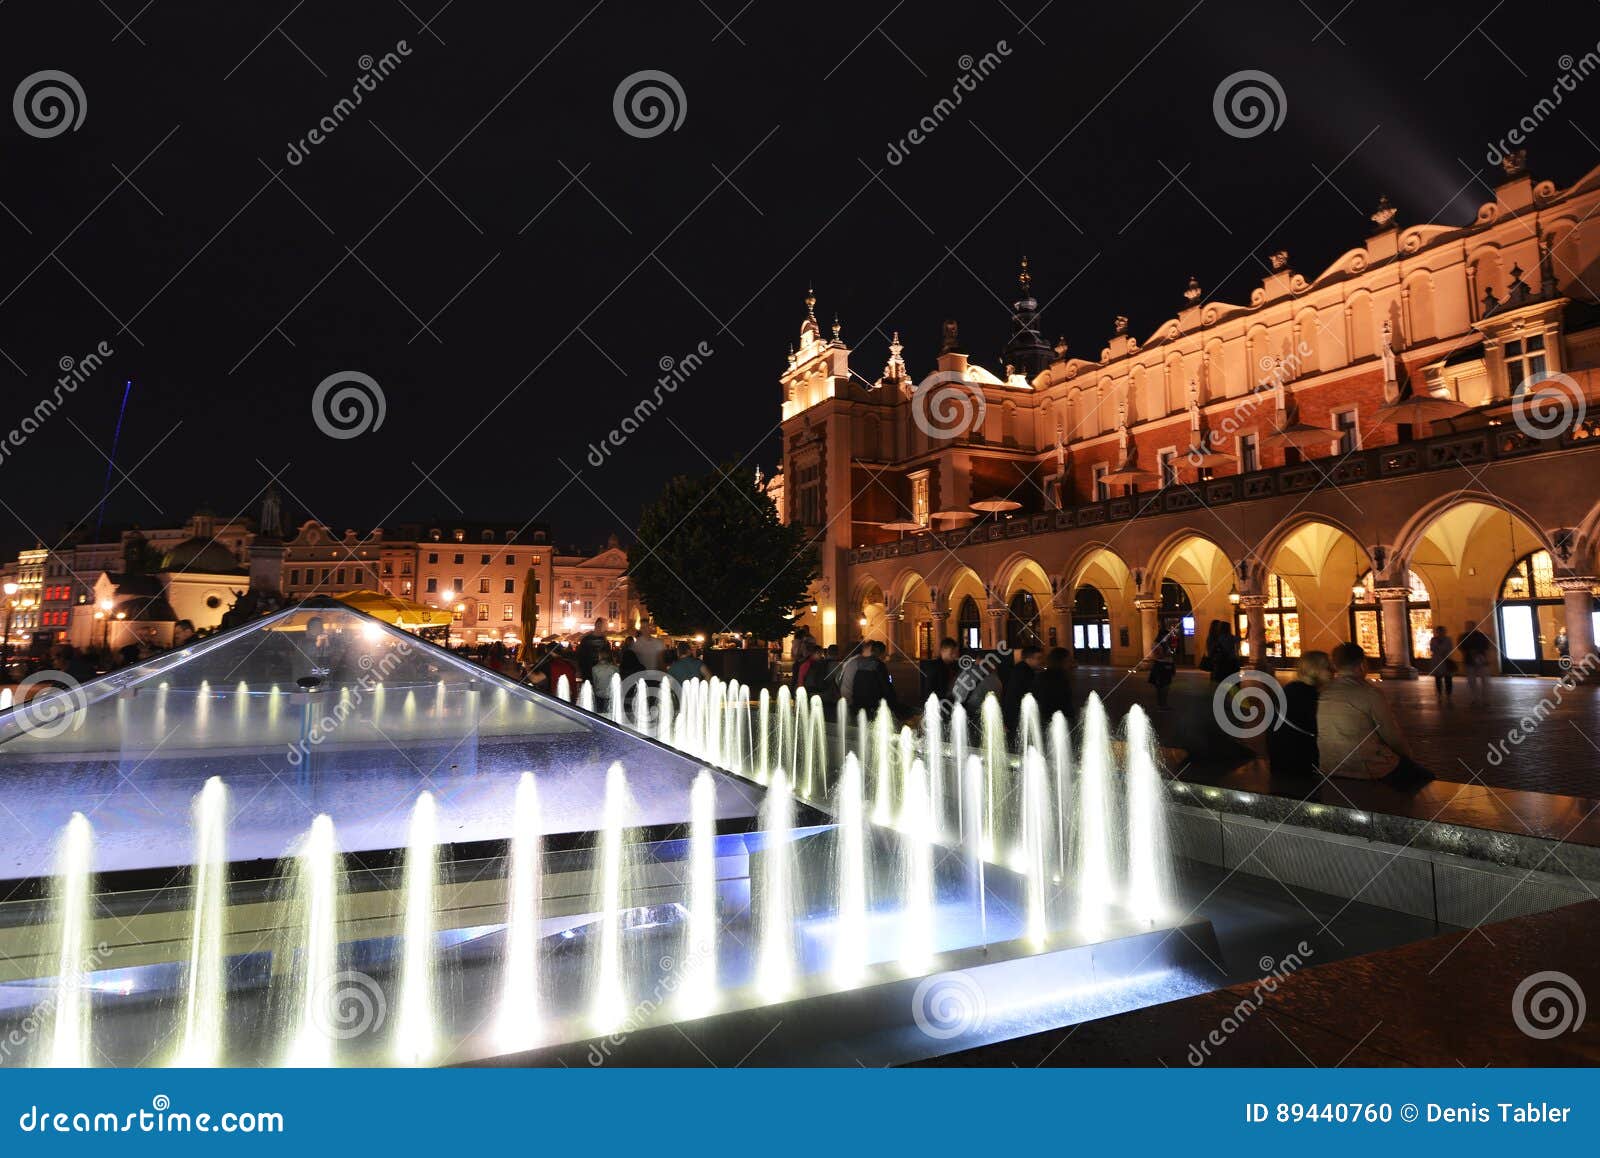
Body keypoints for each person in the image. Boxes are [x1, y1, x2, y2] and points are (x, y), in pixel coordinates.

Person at [1316, 643, 1432, 783]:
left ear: (1335, 665)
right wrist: (1408, 758)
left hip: (1328, 765)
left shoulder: (1321, 692)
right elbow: (1392, 735)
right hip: (1366, 767)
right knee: (1425, 777)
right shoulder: (1370, 693)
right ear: (1362, 664)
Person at [1268, 651, 1330, 778]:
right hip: (1301, 764)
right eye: (1328, 668)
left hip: (1280, 760)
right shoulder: (1311, 696)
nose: (1332, 672)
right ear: (1316, 670)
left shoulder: (1289, 689)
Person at [1002, 645, 1045, 732]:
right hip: (1018, 717)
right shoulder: (1024, 673)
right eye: (1038, 658)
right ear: (1029, 659)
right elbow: (1012, 696)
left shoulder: (1020, 670)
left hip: (1015, 716)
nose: (1041, 661)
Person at [1031, 646, 1073, 722]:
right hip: (1055, 718)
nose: (1070, 664)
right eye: (1068, 661)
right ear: (1062, 661)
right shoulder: (1060, 678)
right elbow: (1064, 702)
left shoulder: (1041, 676)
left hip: (1043, 717)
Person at [1459, 620, 1493, 702]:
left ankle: (1485, 696)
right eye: (1467, 626)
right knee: (1471, 680)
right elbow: (1461, 646)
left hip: (1481, 659)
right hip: (1469, 660)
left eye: (1470, 626)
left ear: (1474, 627)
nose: (1468, 628)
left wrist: (1478, 651)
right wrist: (1469, 651)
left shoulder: (1481, 635)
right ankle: (1474, 696)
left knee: (1484, 679)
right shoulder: (1463, 636)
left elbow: (1486, 646)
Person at [1148, 626, 1178, 708]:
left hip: (1168, 665)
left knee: (1166, 686)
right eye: (1166, 635)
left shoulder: (1167, 644)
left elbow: (1171, 655)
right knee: (1161, 686)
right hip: (1160, 666)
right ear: (1161, 635)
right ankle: (1161, 704)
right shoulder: (1156, 644)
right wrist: (1167, 653)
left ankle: (1163, 703)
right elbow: (1159, 655)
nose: (1168, 637)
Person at [924, 637, 963, 701]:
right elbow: (929, 691)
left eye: (956, 652)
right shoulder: (935, 667)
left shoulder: (953, 665)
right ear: (943, 650)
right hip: (941, 703)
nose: (954, 655)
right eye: (952, 652)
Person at [1203, 619, 1240, 684]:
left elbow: (1212, 649)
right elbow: (1238, 640)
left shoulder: (1219, 637)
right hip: (1228, 660)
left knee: (1221, 679)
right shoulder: (1229, 637)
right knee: (1230, 679)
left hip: (1221, 660)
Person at [1427, 625, 1456, 698]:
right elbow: (1432, 648)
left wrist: (1443, 651)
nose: (1441, 632)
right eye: (1439, 631)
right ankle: (1439, 692)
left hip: (1446, 659)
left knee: (1448, 678)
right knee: (1438, 678)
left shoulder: (1448, 639)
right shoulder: (1433, 639)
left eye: (1442, 631)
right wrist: (1440, 651)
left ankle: (1448, 693)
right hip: (1437, 660)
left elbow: (1450, 648)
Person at [590, 645, 620, 711]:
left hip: (599, 694)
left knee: (600, 714)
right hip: (611, 694)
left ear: (599, 656)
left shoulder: (594, 668)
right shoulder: (614, 668)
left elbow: (595, 683)